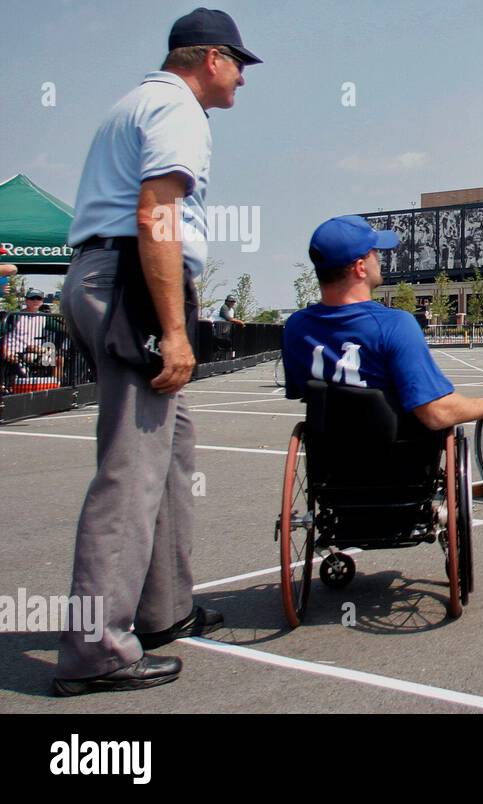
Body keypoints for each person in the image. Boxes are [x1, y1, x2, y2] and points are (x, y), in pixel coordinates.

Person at [52, 8, 261, 697]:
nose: (240, 79)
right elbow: (157, 214)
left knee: (172, 455)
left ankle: (161, 611)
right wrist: (174, 329)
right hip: (129, 281)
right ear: (209, 59)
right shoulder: (177, 110)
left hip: (104, 275)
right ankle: (96, 650)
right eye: (238, 63)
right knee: (132, 470)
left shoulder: (136, 102)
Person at [283, 215, 483, 433]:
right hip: (399, 465)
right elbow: (436, 414)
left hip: (329, 468)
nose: (379, 258)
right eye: (374, 252)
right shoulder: (395, 325)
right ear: (360, 267)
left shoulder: (296, 327)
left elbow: (303, 392)